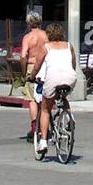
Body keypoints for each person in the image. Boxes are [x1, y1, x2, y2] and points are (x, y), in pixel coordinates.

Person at [30, 22, 78, 155]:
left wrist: (31, 77)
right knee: (63, 97)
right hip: (70, 77)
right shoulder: (69, 46)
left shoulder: (46, 47)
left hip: (53, 78)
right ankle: (70, 118)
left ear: (49, 34)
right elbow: (73, 63)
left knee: (45, 109)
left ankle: (44, 141)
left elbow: (37, 66)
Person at [19, 13, 48, 141]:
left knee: (32, 99)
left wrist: (24, 71)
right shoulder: (45, 35)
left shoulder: (28, 37)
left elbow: (23, 56)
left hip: (32, 66)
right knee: (42, 97)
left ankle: (35, 126)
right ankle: (44, 125)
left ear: (29, 23)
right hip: (44, 66)